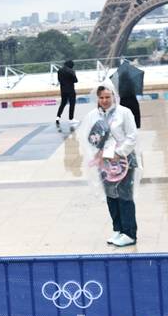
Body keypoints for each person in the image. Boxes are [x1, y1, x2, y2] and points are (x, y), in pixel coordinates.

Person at [79, 82, 139, 247]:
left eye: (107, 97)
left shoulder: (124, 113)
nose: (105, 100)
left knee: (124, 195)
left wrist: (119, 153)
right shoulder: (93, 115)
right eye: (101, 97)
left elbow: (132, 136)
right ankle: (118, 229)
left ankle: (129, 233)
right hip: (104, 163)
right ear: (97, 99)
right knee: (111, 196)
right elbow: (89, 139)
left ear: (114, 96)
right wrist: (98, 154)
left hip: (124, 161)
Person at [116, 57, 143, 128]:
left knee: (125, 120)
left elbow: (119, 93)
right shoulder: (132, 81)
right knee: (134, 118)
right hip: (133, 101)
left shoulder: (119, 82)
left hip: (123, 102)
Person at [56, 59, 77, 130]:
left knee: (63, 104)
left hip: (63, 90)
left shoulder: (59, 71)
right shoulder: (71, 71)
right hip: (71, 90)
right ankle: (71, 119)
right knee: (72, 104)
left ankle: (58, 117)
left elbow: (59, 80)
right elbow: (75, 80)